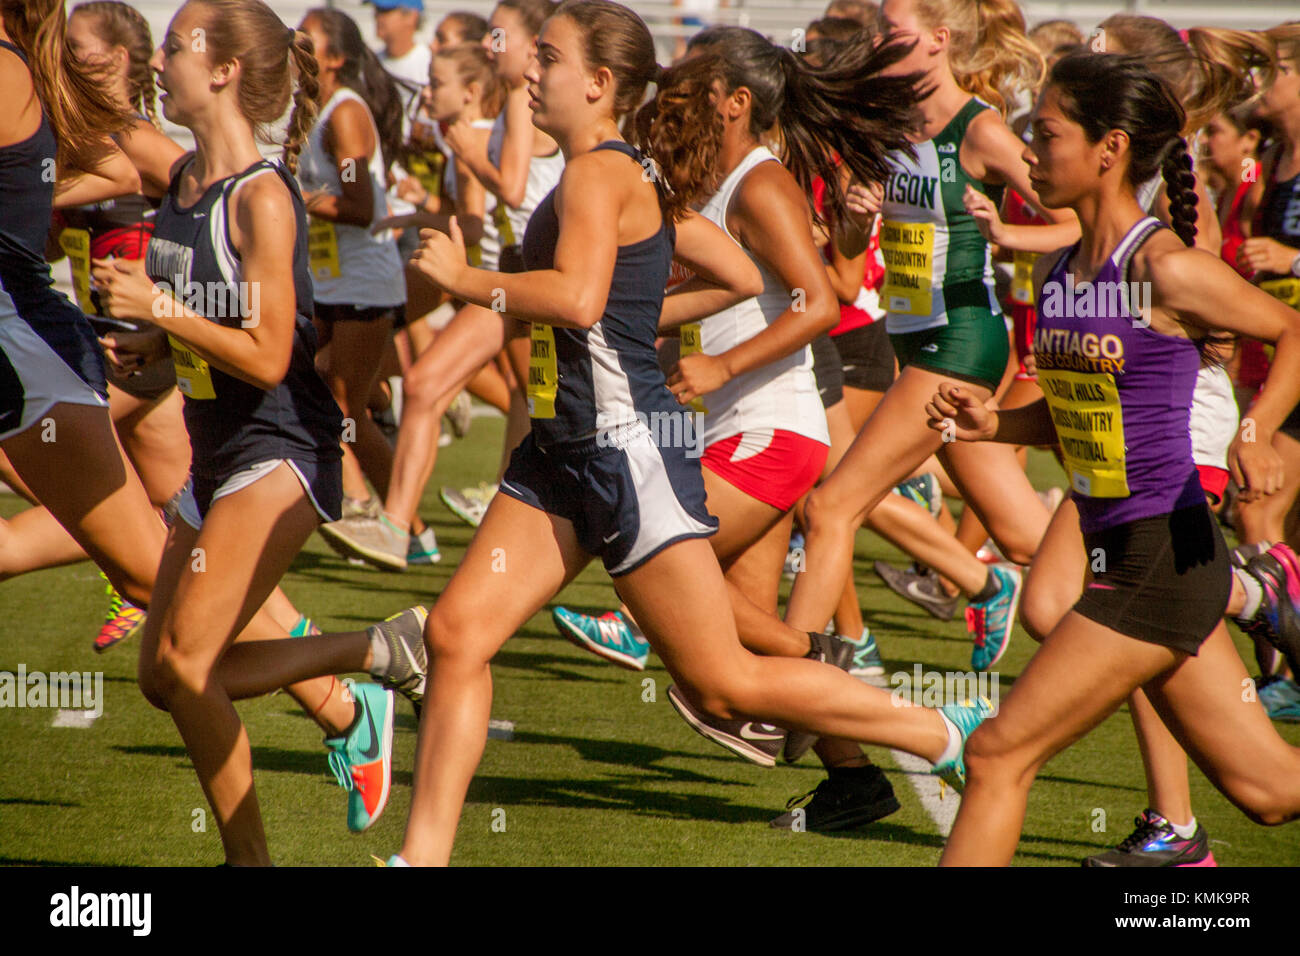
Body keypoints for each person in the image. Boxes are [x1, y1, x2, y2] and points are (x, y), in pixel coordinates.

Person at [385, 0, 990, 867]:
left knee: (721, 681)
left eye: (547, 58)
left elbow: (582, 299)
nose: (528, 70)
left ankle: (936, 728)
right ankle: (424, 859)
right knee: (455, 636)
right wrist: (639, 315)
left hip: (624, 454)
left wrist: (471, 279)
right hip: (559, 454)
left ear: (598, 84)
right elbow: (738, 274)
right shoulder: (618, 172)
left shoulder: (601, 175)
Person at [933, 51, 1300, 867]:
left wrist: (1256, 430)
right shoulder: (1063, 270)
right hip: (1122, 552)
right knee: (1270, 791)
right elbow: (1069, 426)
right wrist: (991, 421)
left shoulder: (1162, 266)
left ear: (1111, 149)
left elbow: (1291, 331)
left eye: (1047, 133)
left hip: (1161, 558)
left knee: (996, 754)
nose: (1029, 149)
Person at [91, 0, 434, 865]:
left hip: (283, 450)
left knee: (191, 669)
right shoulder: (180, 186)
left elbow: (272, 352)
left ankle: (249, 860)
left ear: (224, 71)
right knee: (162, 678)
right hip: (217, 453)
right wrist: (152, 351)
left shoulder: (264, 200)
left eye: (173, 48)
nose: (157, 62)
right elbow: (210, 338)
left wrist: (159, 306)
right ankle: (375, 656)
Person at [783, 0, 1074, 673]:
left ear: (940, 40)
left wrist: (1009, 235)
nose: (882, 38)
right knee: (1021, 537)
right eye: (878, 28)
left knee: (829, 507)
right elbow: (854, 251)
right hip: (907, 337)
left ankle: (785, 678)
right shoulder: (883, 123)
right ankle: (1135, 636)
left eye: (896, 29)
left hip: (964, 337)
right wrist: (856, 217)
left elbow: (1082, 218)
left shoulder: (981, 130)